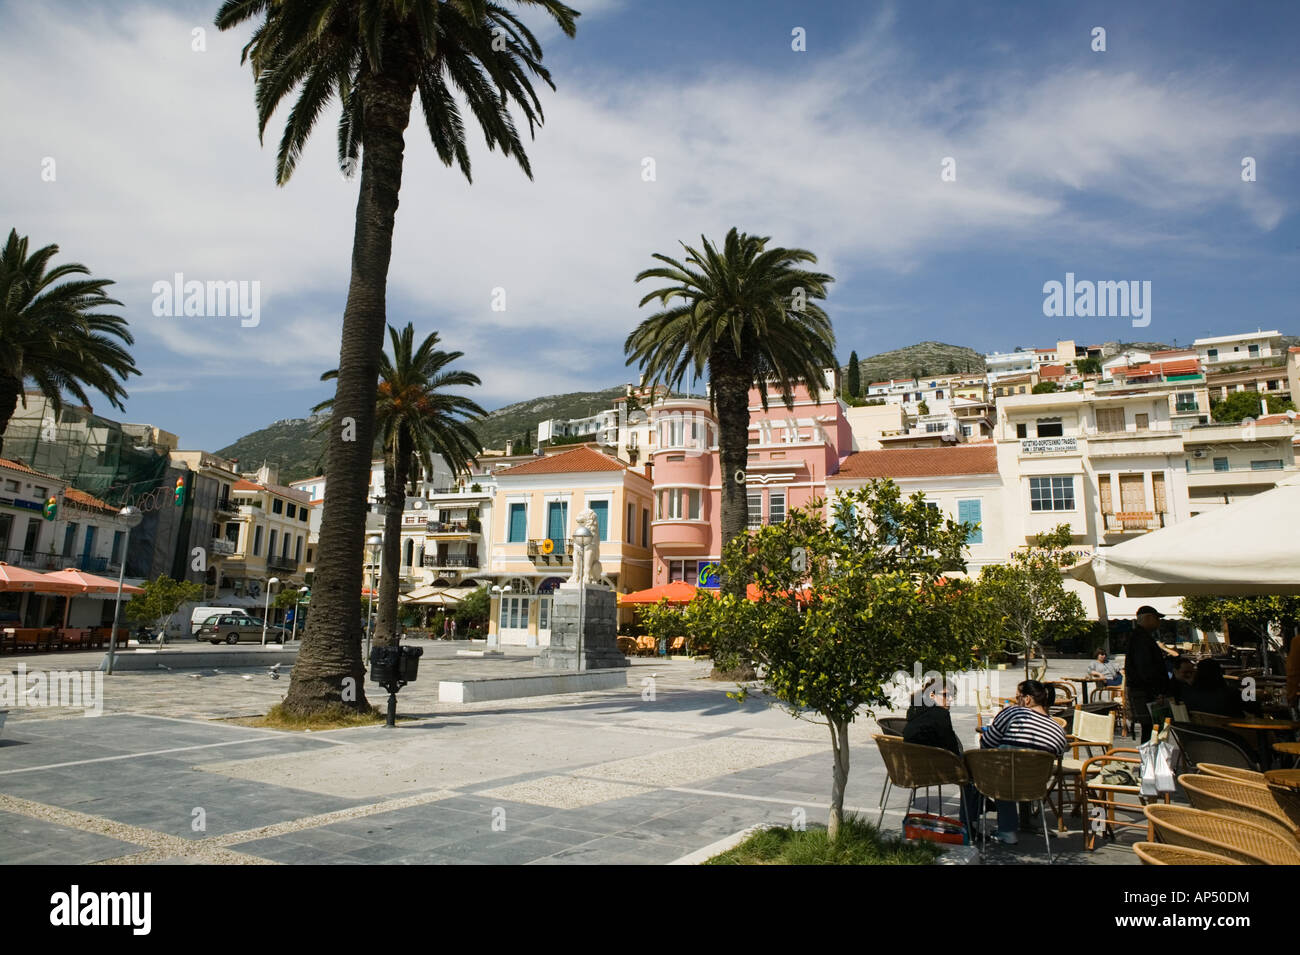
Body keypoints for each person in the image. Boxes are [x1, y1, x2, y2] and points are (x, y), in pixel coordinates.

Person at [978, 680, 1068, 845]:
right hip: (1035, 786)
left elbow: (986, 744)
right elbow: (1059, 754)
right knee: (1009, 770)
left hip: (1000, 782)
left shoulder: (1013, 713)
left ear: (1027, 700)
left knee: (977, 769)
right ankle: (1011, 827)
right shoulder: (1059, 731)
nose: (1016, 700)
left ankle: (975, 826)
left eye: (1017, 697)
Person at [1125, 607, 1170, 742]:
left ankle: (1148, 759)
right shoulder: (1141, 638)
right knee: (1150, 729)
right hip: (1146, 693)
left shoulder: (1141, 636)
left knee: (1150, 729)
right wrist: (1157, 692)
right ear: (1148, 618)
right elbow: (1144, 668)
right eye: (1157, 618)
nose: (1159, 622)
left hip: (1145, 691)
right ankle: (1148, 760)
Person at [1180, 659, 1245, 718]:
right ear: (1219, 673)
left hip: (1198, 729)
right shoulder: (1232, 693)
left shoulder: (1188, 693)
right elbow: (1252, 708)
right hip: (1233, 730)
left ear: (1198, 673)